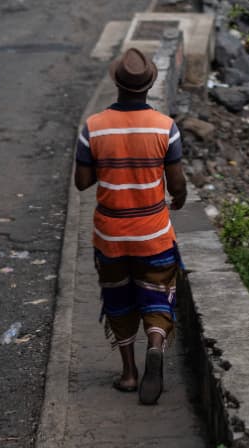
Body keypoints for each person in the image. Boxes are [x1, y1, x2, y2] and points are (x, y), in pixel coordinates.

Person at [75, 49, 187, 404]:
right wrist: (179, 199)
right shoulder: (165, 127)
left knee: (118, 299)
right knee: (157, 291)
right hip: (153, 233)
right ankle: (155, 344)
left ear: (116, 82)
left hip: (110, 236)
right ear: (150, 83)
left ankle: (128, 373)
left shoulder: (92, 127)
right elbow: (177, 182)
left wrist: (105, 162)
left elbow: (82, 182)